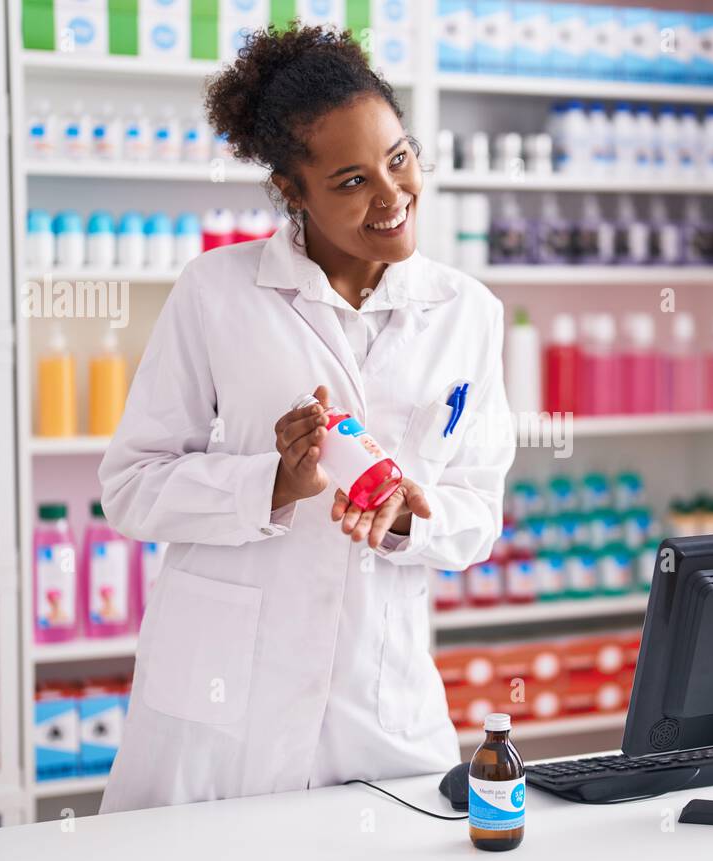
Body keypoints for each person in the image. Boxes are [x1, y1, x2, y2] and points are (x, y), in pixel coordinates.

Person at [96, 24, 514, 813]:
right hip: (224, 706)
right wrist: (274, 484)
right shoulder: (217, 293)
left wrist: (407, 519)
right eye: (352, 180)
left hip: (381, 703)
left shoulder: (468, 313)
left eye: (399, 158)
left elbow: (477, 517)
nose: (392, 196)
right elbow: (132, 485)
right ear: (294, 190)